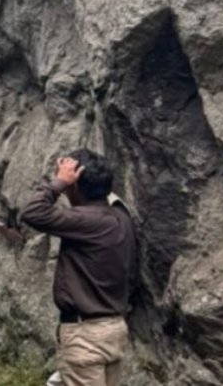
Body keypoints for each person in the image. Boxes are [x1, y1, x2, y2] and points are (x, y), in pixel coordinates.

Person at [20, 149, 136, 386]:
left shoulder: (85, 220)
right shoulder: (121, 217)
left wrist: (59, 182)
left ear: (74, 186)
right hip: (114, 329)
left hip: (86, 336)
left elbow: (32, 213)